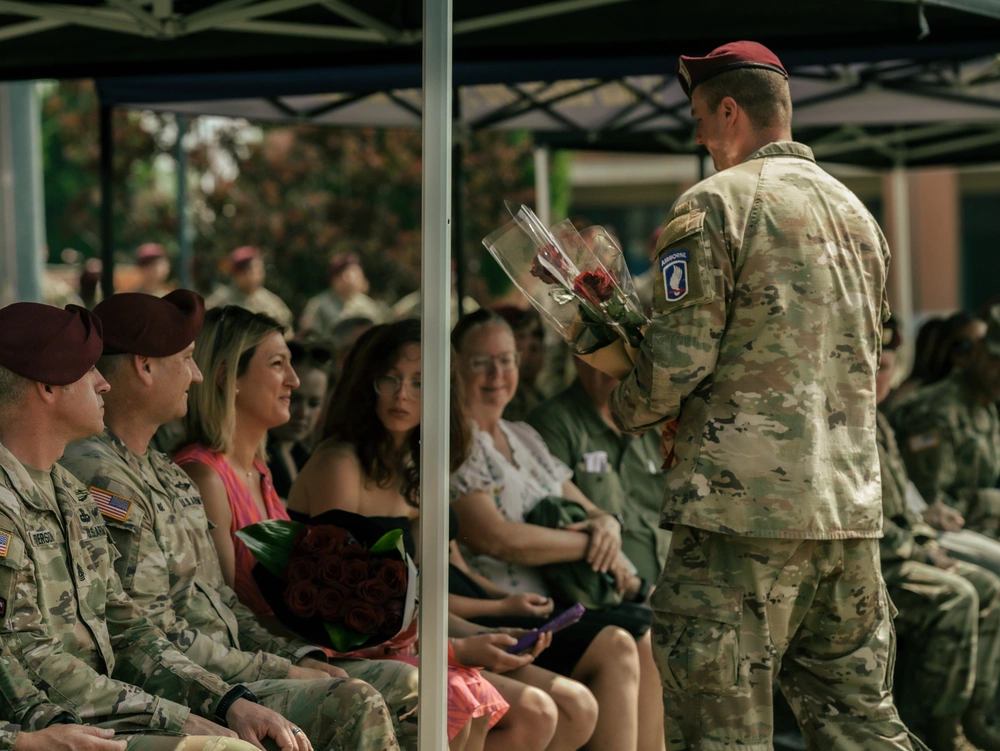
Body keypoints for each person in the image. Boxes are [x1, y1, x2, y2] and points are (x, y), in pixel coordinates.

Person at [605, 41, 923, 749]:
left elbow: (679, 360)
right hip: (849, 519)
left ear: (729, 109)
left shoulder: (713, 205)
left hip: (738, 524)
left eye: (698, 117)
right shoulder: (857, 215)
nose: (696, 137)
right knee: (862, 725)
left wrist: (623, 405)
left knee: (722, 733)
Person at [59, 291, 412, 751]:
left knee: (402, 683)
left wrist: (296, 656)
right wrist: (277, 670)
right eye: (186, 359)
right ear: (145, 367)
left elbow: (220, 604)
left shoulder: (164, 471)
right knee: (355, 700)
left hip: (225, 665)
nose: (197, 374)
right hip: (186, 680)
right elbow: (150, 629)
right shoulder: (104, 475)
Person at [176, 309, 509, 751]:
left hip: (304, 647)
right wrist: (308, 658)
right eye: (278, 364)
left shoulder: (259, 469)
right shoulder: (206, 475)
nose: (295, 380)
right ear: (227, 377)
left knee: (470, 698)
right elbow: (226, 611)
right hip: (265, 657)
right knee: (433, 690)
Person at [0, 302, 308, 751]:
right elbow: (22, 654)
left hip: (102, 712)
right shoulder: (16, 502)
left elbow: (130, 628)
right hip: (59, 726)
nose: (103, 380)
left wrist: (225, 702)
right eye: (88, 370)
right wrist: (180, 719)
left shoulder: (71, 493)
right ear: (47, 387)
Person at [289, 319, 599, 751]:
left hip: (409, 641)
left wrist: (483, 631)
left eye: (419, 383)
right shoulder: (340, 463)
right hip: (347, 651)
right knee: (531, 711)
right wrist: (459, 647)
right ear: (367, 384)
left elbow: (418, 597)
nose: (402, 395)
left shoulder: (416, 467)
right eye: (390, 380)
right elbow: (345, 607)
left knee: (564, 708)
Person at [450, 309, 664, 751]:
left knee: (650, 632)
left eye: (506, 360)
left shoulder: (523, 436)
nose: (497, 374)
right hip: (502, 605)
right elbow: (496, 538)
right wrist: (588, 540)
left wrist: (606, 524)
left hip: (560, 600)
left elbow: (588, 507)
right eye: (480, 362)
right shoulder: (455, 444)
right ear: (454, 365)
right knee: (617, 646)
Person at [876, 317, 1000, 751]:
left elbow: (906, 507)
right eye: (872, 366)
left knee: (986, 587)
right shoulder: (932, 409)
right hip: (883, 557)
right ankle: (944, 727)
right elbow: (927, 502)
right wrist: (925, 546)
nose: (879, 377)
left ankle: (975, 714)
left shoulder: (879, 423)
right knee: (966, 592)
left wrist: (923, 542)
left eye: (885, 367)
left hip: (917, 541)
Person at [527, 356, 670, 585]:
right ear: (577, 359)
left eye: (623, 354)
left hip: (671, 588)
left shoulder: (656, 421)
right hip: (610, 595)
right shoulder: (554, 424)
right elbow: (552, 517)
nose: (614, 367)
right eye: (602, 357)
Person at [889, 305, 1000, 538]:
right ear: (976, 352)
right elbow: (929, 503)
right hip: (939, 534)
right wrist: (991, 502)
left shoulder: (986, 406)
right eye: (995, 359)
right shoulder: (936, 413)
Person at [267, 338, 334, 499]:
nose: (303, 413)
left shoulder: (309, 459)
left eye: (314, 403)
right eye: (293, 399)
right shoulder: (253, 461)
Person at [205, 247, 293, 331]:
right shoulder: (220, 302)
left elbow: (287, 331)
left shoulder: (273, 303)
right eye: (248, 270)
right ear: (236, 274)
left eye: (259, 269)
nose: (254, 275)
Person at [299, 253, 388, 336]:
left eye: (357, 274)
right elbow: (309, 335)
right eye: (345, 274)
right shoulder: (318, 305)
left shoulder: (369, 306)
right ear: (334, 279)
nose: (350, 279)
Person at [493, 306, 547, 422]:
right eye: (522, 336)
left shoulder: (539, 397)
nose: (535, 345)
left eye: (537, 335)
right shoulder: (502, 399)